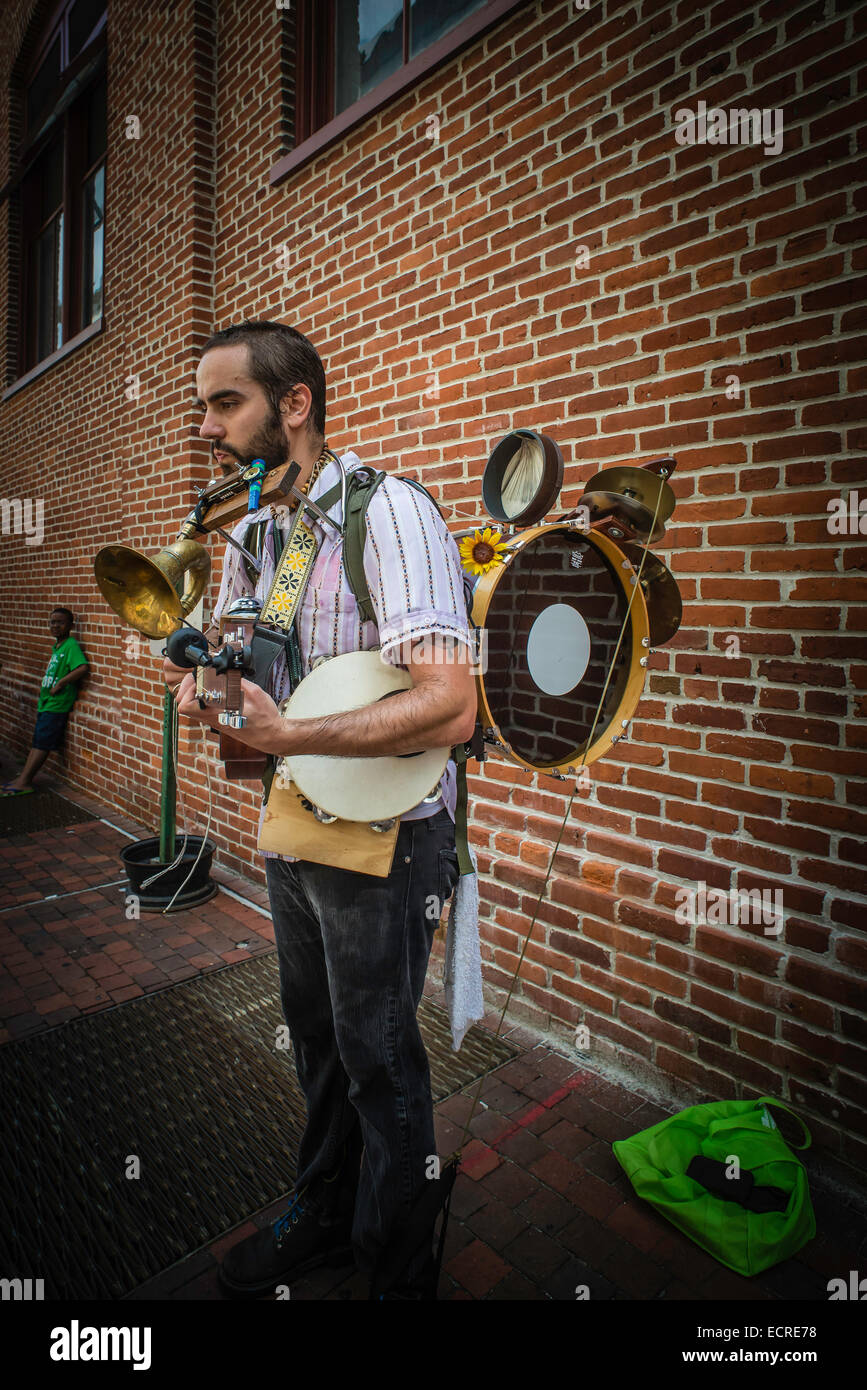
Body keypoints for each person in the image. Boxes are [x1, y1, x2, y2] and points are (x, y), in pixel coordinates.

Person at [163, 321, 477, 1299]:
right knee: (317, 1035)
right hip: (296, 817)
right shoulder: (256, 537)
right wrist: (208, 692)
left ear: (293, 403)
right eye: (204, 404)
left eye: (226, 403)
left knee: (380, 1055)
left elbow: (450, 701)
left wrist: (289, 736)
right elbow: (261, 699)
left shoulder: (390, 511)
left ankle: (393, 1255)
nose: (207, 427)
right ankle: (324, 1205)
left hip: (392, 834)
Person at [2, 608, 88, 796]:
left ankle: (25, 781)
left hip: (57, 704)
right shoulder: (57, 646)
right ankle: (22, 778)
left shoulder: (71, 645)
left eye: (61, 622)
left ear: (71, 626)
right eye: (52, 622)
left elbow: (82, 668)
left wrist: (62, 682)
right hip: (47, 702)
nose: (55, 626)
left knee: (42, 744)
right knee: (37, 742)